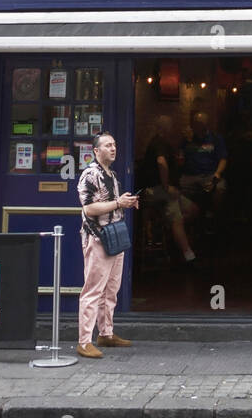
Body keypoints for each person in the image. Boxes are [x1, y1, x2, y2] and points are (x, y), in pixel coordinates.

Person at [76, 130, 139, 359]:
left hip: (115, 236)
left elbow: (112, 204)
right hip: (97, 237)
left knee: (111, 290)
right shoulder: (89, 175)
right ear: (96, 151)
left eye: (114, 145)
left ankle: (106, 333)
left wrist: (125, 203)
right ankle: (84, 341)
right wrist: (117, 203)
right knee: (93, 290)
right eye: (107, 145)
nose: (113, 148)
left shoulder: (111, 175)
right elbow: (89, 209)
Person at [140, 114, 197, 262]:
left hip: (162, 189)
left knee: (192, 209)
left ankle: (170, 230)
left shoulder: (159, 142)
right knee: (176, 216)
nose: (173, 128)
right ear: (166, 128)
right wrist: (166, 187)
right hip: (156, 190)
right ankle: (189, 255)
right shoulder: (159, 143)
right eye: (171, 125)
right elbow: (161, 163)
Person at [179, 111, 228, 212]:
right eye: (194, 123)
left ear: (206, 124)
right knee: (179, 191)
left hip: (209, 174)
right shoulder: (188, 139)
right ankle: (190, 217)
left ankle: (214, 216)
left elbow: (223, 159)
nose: (195, 125)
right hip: (190, 175)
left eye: (199, 123)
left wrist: (217, 173)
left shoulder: (215, 138)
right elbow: (180, 156)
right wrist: (187, 140)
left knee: (219, 188)